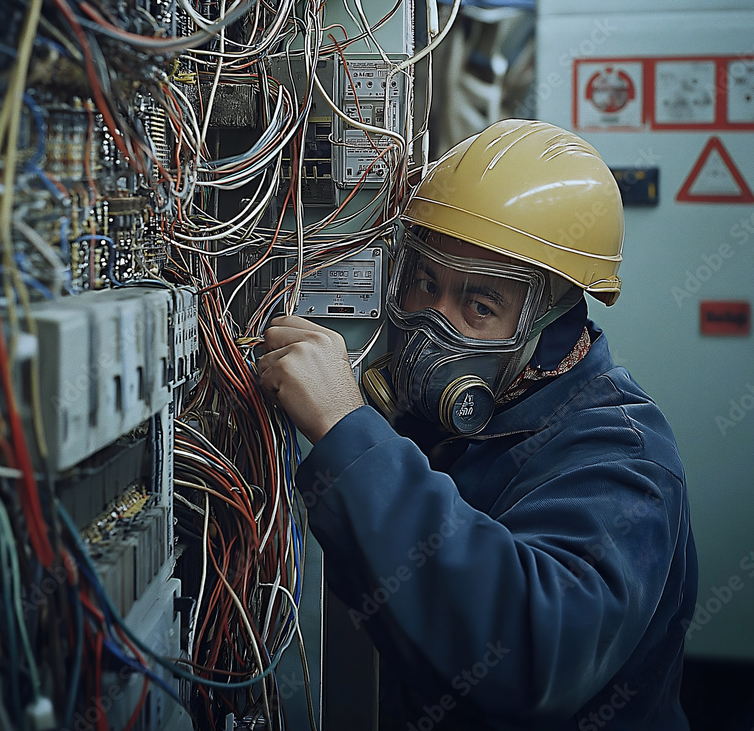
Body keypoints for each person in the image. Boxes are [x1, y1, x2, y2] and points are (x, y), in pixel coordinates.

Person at [257, 119, 697, 731]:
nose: (434, 324)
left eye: (480, 304)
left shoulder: (621, 454)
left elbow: (531, 654)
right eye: (424, 284)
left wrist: (347, 429)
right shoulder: (455, 423)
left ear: (552, 323)